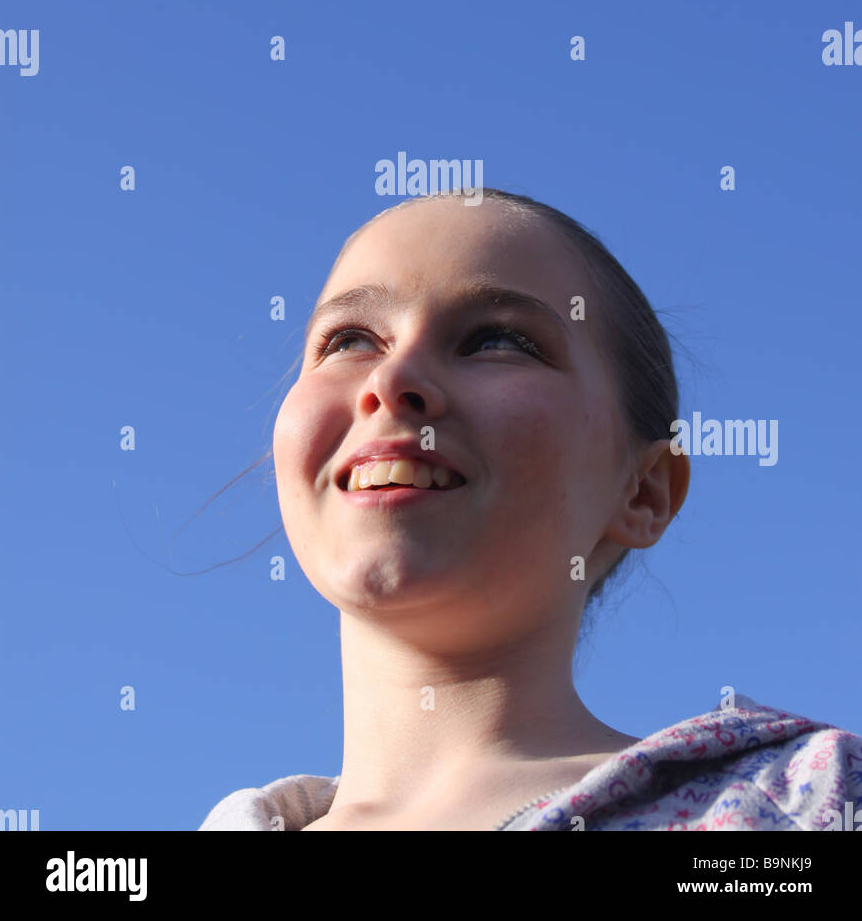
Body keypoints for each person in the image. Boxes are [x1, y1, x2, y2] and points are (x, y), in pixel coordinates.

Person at [199, 189, 862, 831]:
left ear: (643, 490)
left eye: (498, 341)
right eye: (349, 340)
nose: (392, 381)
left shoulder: (797, 809)